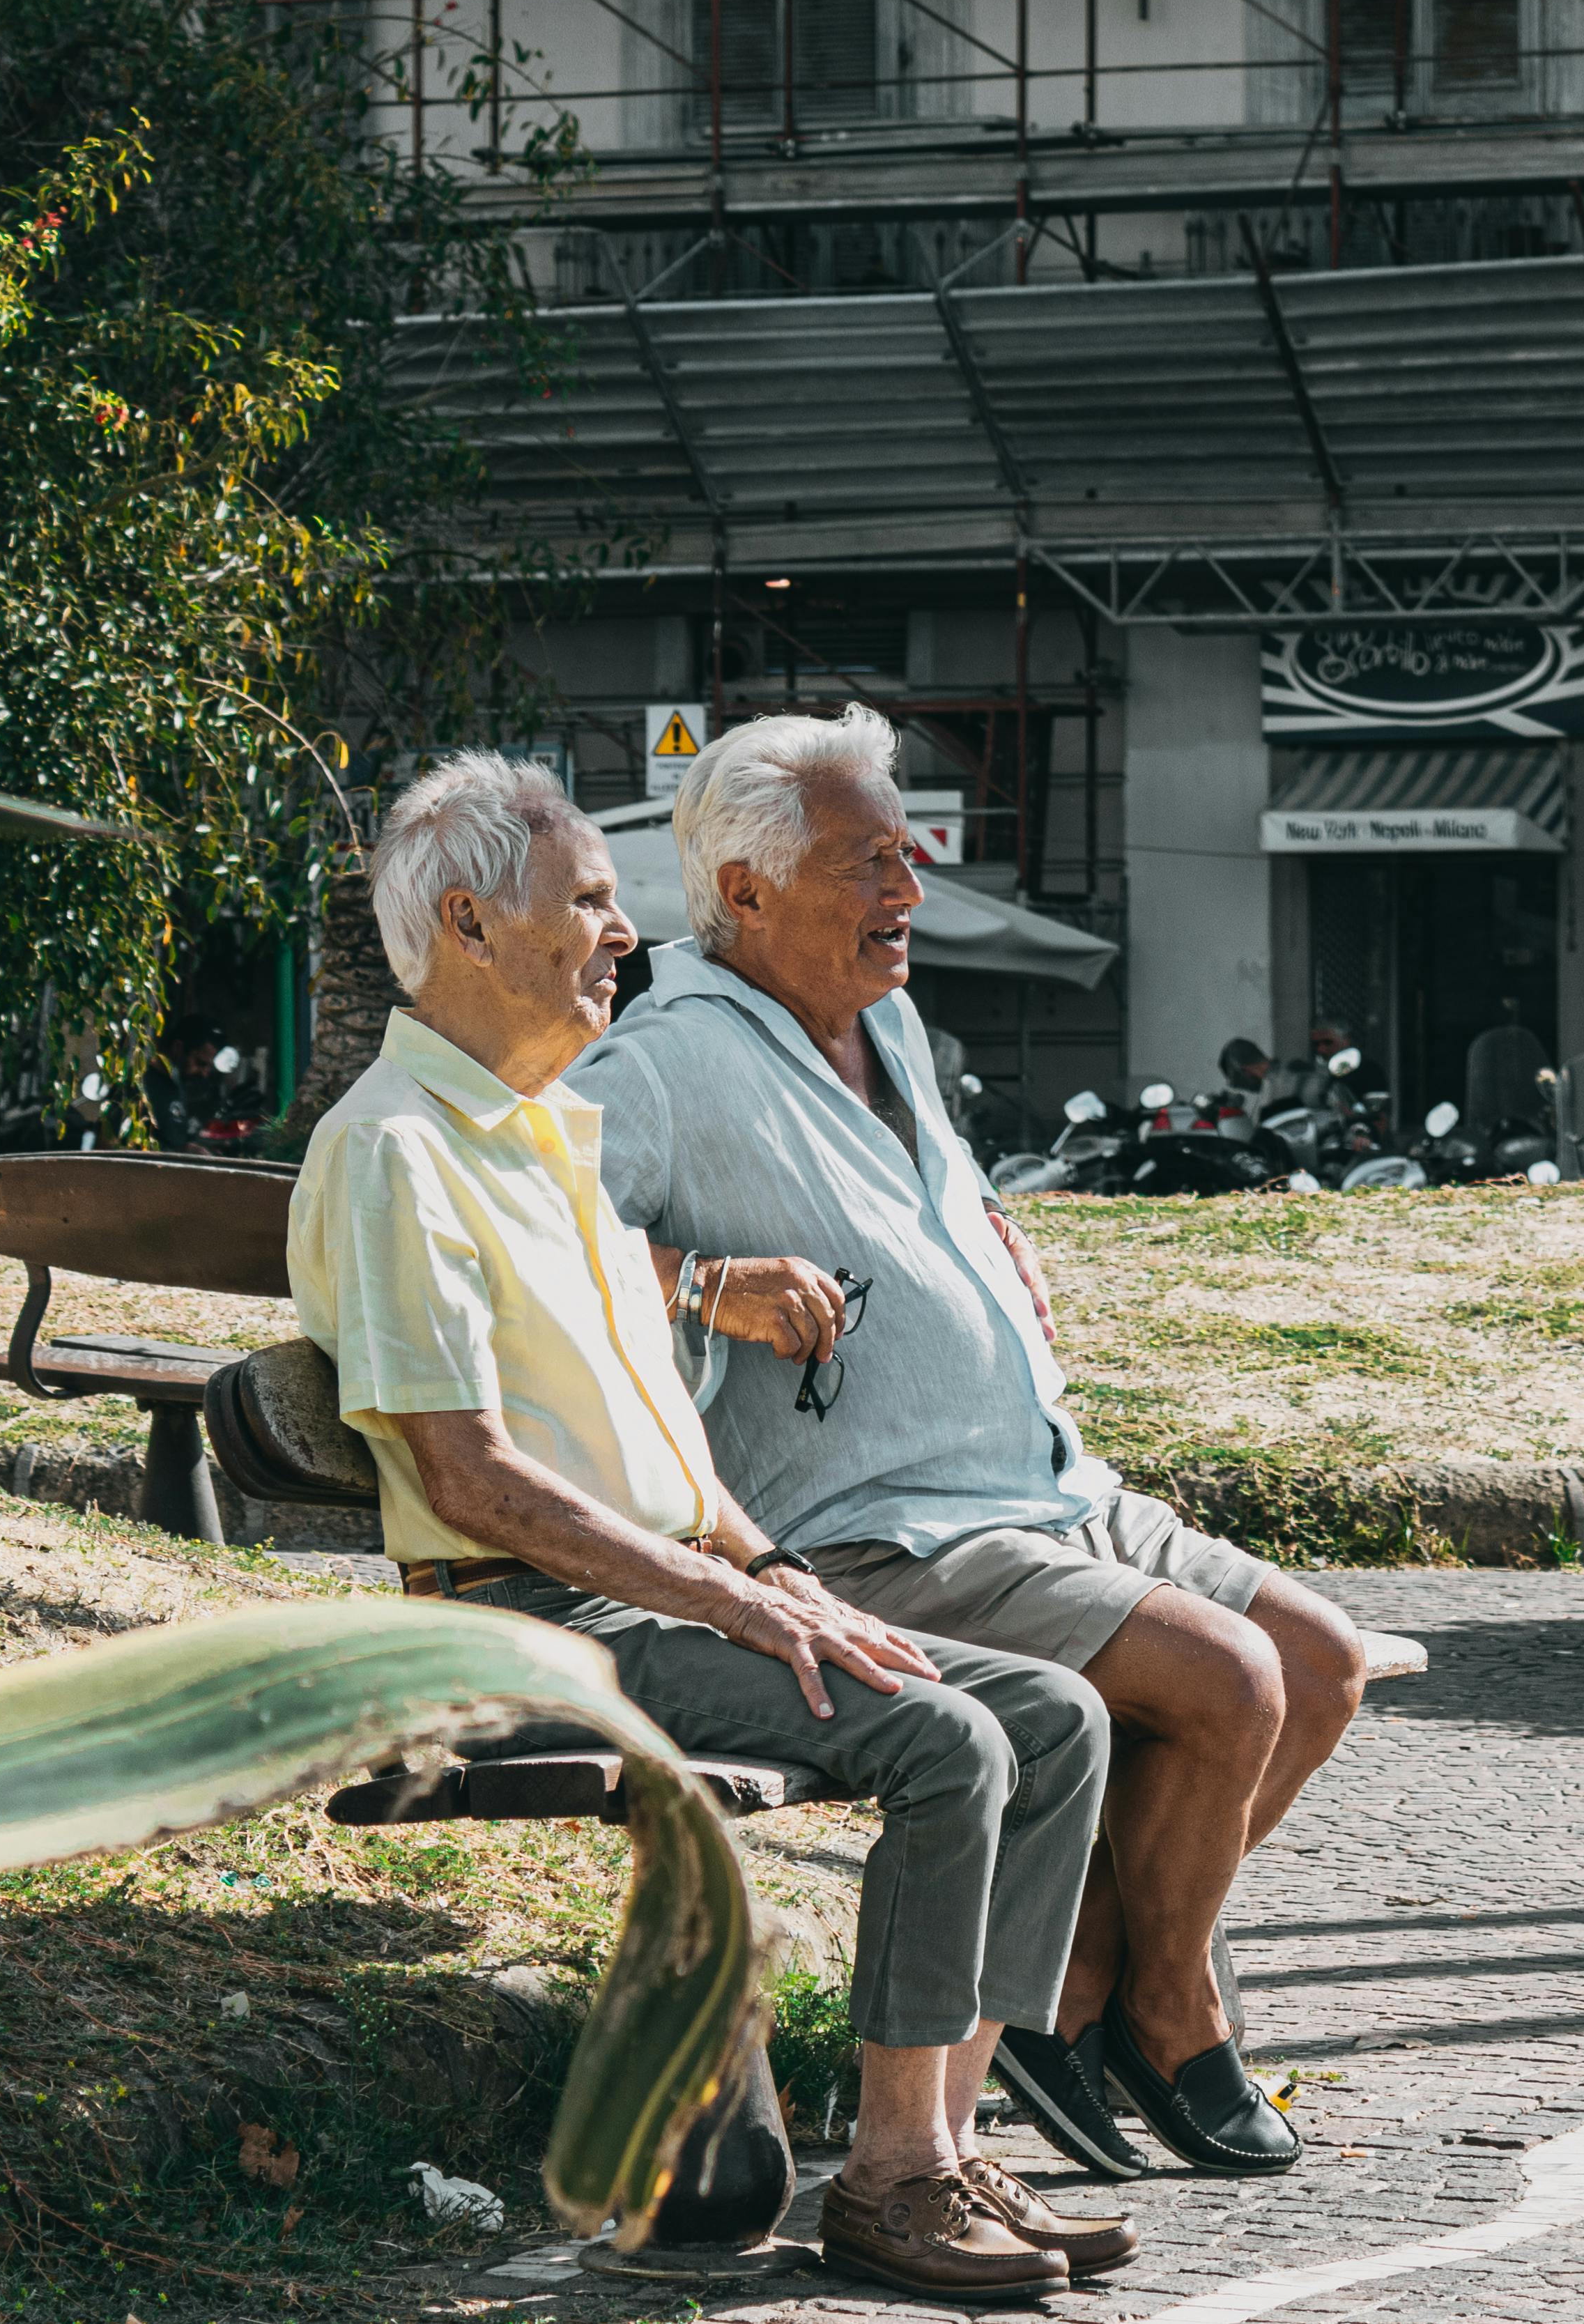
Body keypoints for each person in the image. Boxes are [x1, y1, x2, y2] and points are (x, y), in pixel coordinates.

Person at [286, 750, 1135, 2302]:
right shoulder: (397, 1147)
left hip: (652, 1596)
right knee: (947, 1740)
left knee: (1054, 1713)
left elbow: (657, 1445)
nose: (628, 931)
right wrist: (732, 1600)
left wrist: (769, 1570)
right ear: (471, 924)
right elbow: (470, 1477)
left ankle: (940, 2139)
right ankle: (887, 2181)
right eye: (592, 901)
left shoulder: (547, 1134)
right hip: (528, 1620)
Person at [565, 707, 1369, 2185]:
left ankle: (1081, 1988)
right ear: (742, 891)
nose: (908, 892)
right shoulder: (661, 1058)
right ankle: (1162, 2007)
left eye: (910, 855)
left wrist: (980, 1239)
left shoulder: (887, 1026)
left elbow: (914, 1195)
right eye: (870, 861)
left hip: (1050, 1484)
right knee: (1227, 1677)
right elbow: (530, 1236)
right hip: (888, 1528)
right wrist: (700, 1284)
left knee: (1321, 1659)